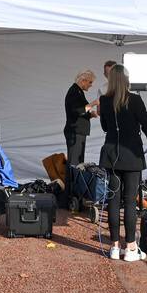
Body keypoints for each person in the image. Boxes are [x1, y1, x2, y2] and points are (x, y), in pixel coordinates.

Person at [98, 63, 147, 261]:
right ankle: (130, 247)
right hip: (132, 155)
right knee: (130, 201)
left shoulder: (104, 101)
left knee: (114, 200)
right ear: (127, 80)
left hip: (112, 154)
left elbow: (105, 127)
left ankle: (114, 246)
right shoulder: (136, 100)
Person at [63, 70, 98, 204]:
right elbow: (78, 110)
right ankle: (70, 196)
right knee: (74, 164)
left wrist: (91, 114)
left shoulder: (78, 92)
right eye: (89, 82)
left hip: (79, 132)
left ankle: (75, 193)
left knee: (78, 163)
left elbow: (81, 111)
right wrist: (93, 104)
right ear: (83, 80)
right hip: (74, 132)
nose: (90, 85)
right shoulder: (73, 91)